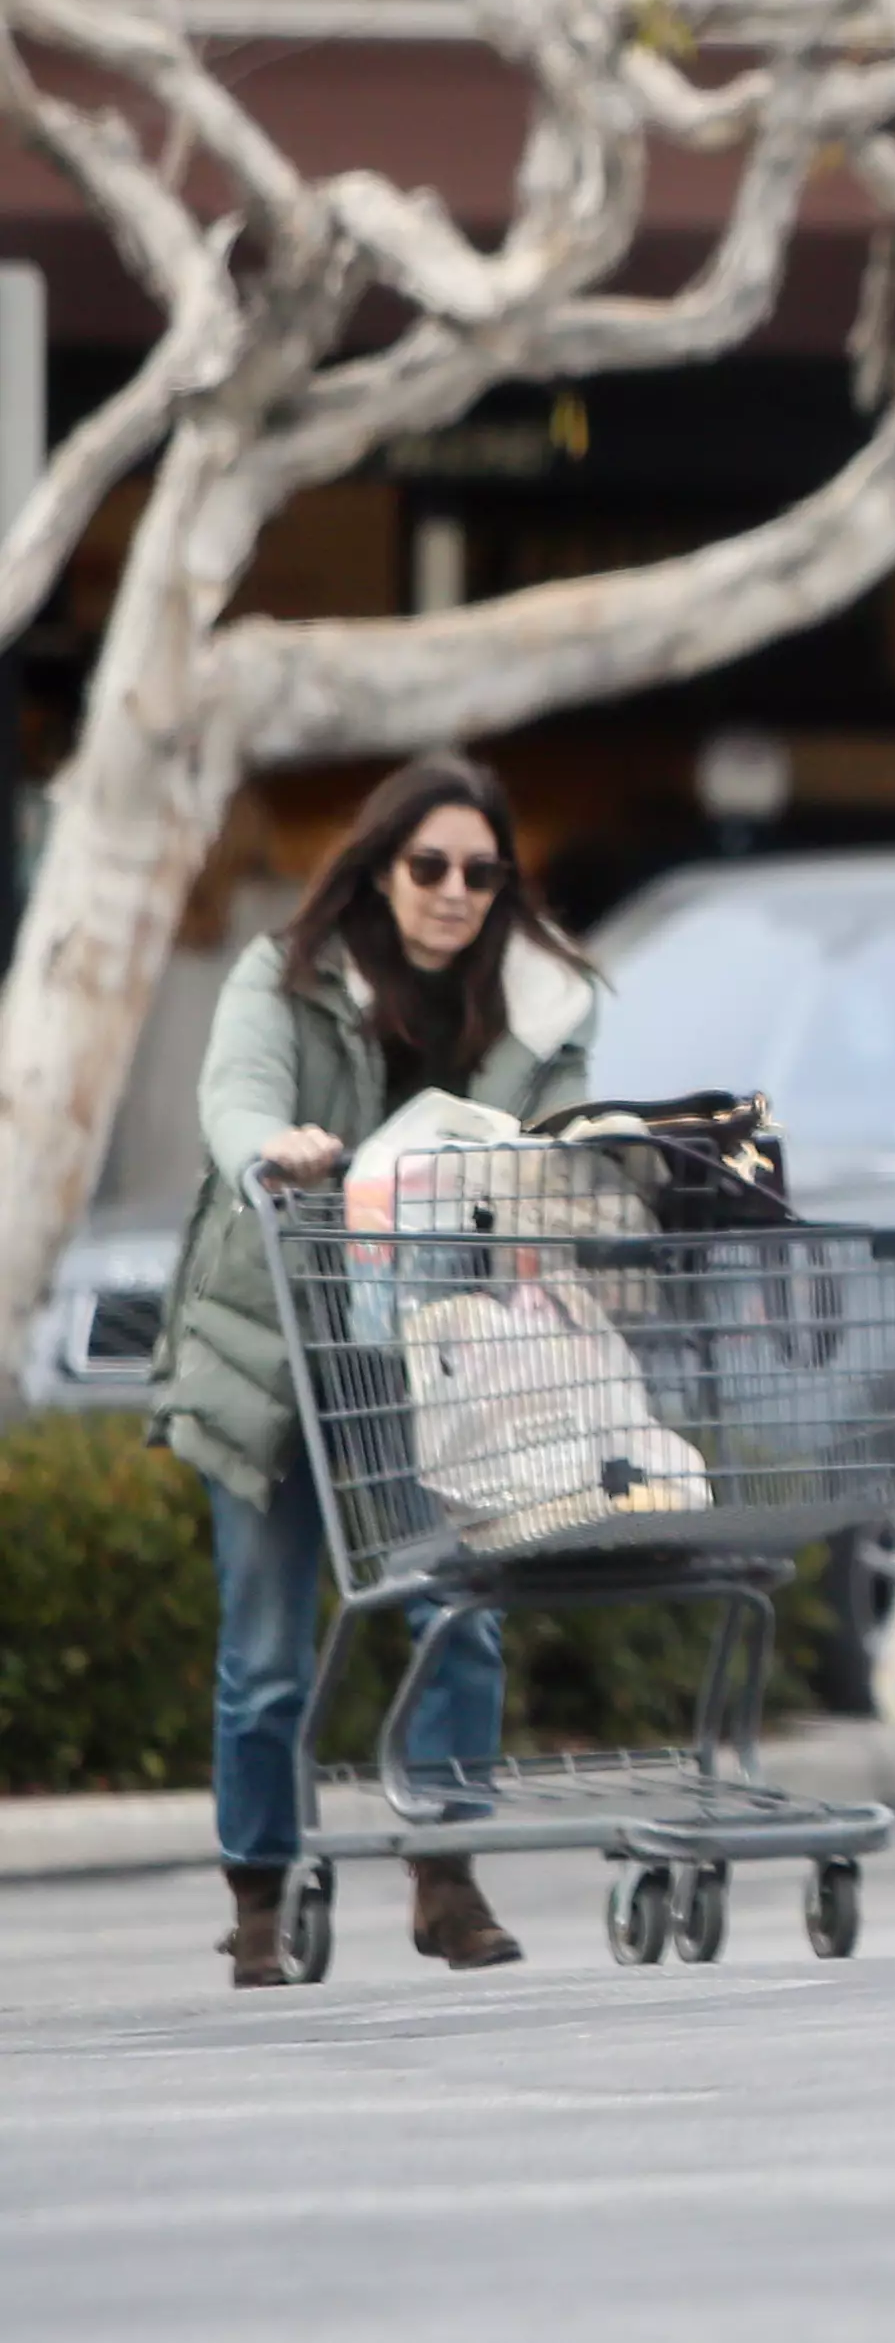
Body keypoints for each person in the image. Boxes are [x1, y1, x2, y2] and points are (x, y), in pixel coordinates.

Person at [151, 753, 600, 1986]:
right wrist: (279, 1148)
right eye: (428, 867)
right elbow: (235, 1098)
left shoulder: (541, 1002)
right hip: (281, 1342)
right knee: (266, 1653)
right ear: (381, 866)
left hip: (437, 1357)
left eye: (479, 872)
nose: (453, 892)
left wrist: (579, 1184)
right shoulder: (285, 978)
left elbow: (563, 1135)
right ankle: (259, 1895)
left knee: (460, 1616)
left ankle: (445, 1879)